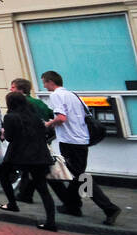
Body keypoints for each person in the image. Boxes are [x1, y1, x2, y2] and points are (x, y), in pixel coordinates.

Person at [42, 70, 121, 226]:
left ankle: (109, 208)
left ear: (51, 82)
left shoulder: (56, 95)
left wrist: (48, 124)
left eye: (44, 82)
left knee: (80, 176)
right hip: (82, 140)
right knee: (76, 174)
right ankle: (73, 206)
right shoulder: (73, 95)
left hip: (70, 141)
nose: (44, 86)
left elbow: (61, 118)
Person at [0, 91, 56, 231]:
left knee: (3, 174)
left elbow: (9, 138)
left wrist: (4, 133)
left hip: (19, 154)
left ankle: (12, 203)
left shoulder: (10, 117)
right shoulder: (35, 117)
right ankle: (51, 221)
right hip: (39, 155)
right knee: (43, 189)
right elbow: (47, 132)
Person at [9, 78, 55, 203]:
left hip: (29, 141)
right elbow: (51, 114)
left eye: (13, 87)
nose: (10, 89)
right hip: (44, 138)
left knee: (31, 169)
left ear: (21, 89)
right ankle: (25, 194)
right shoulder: (38, 102)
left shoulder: (23, 103)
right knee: (33, 169)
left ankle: (25, 194)